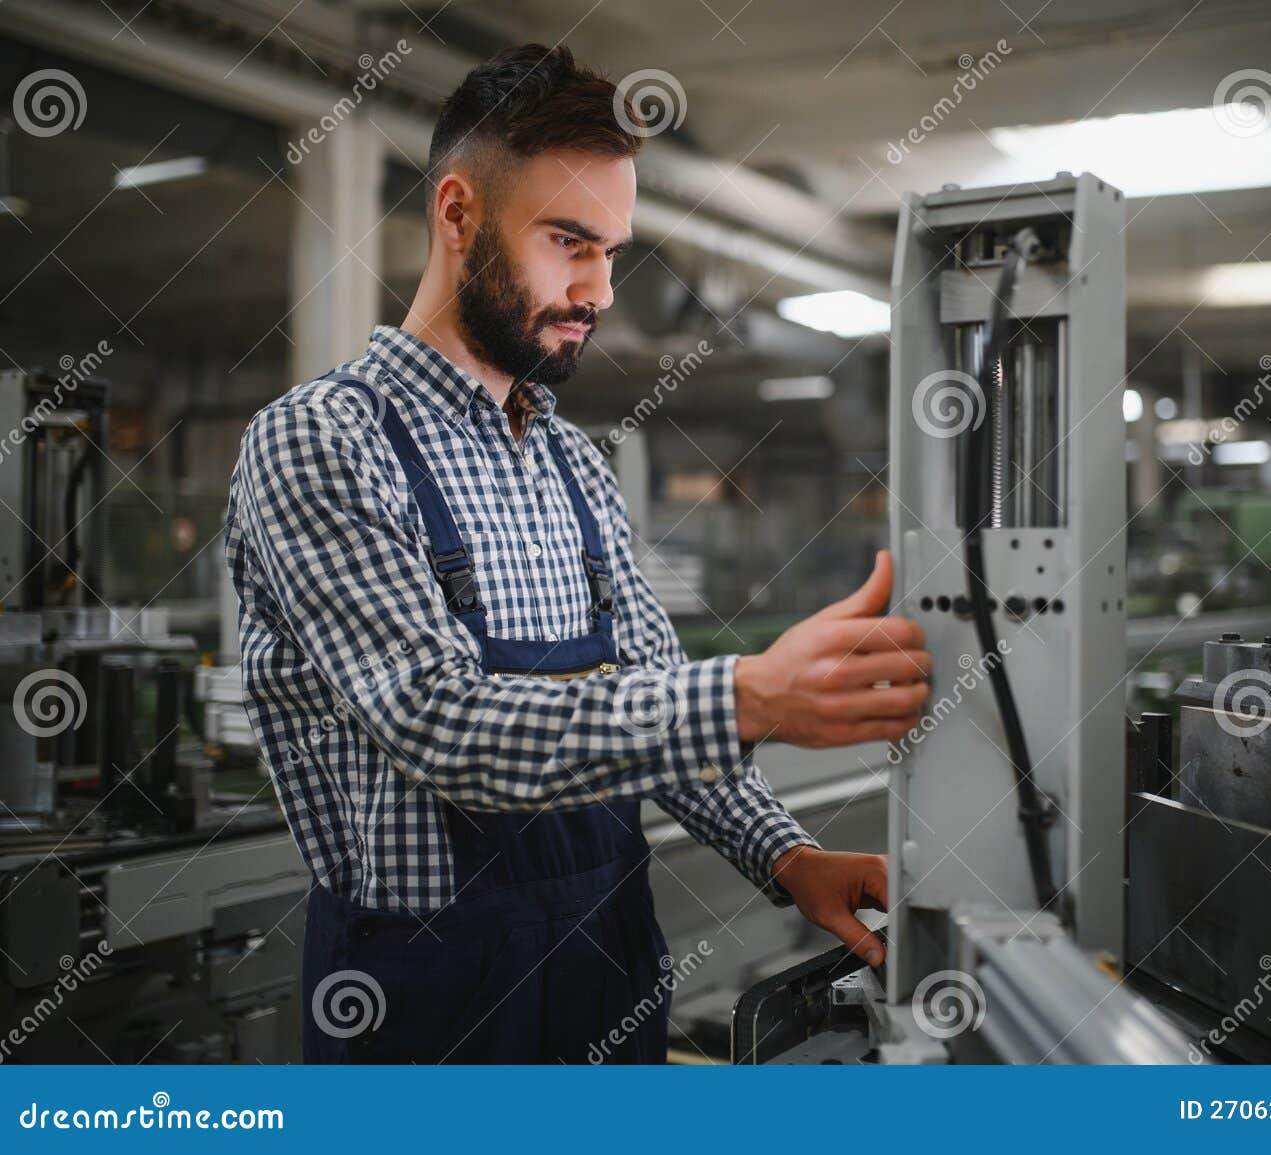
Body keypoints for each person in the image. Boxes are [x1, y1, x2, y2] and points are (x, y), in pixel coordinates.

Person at [223, 42, 931, 1063]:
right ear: (457, 213)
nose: (598, 289)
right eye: (568, 242)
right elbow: (440, 724)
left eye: (612, 251)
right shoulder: (323, 441)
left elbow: (648, 699)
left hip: (607, 967)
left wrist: (786, 855)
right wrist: (745, 697)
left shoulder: (573, 465)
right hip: (427, 1004)